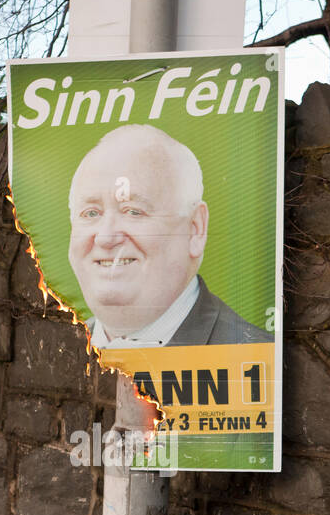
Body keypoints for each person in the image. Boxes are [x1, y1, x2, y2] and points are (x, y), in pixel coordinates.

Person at [67, 123, 274, 347]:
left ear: (195, 229)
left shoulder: (251, 353)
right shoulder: (50, 349)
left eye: (133, 211)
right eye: (91, 213)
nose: (106, 238)